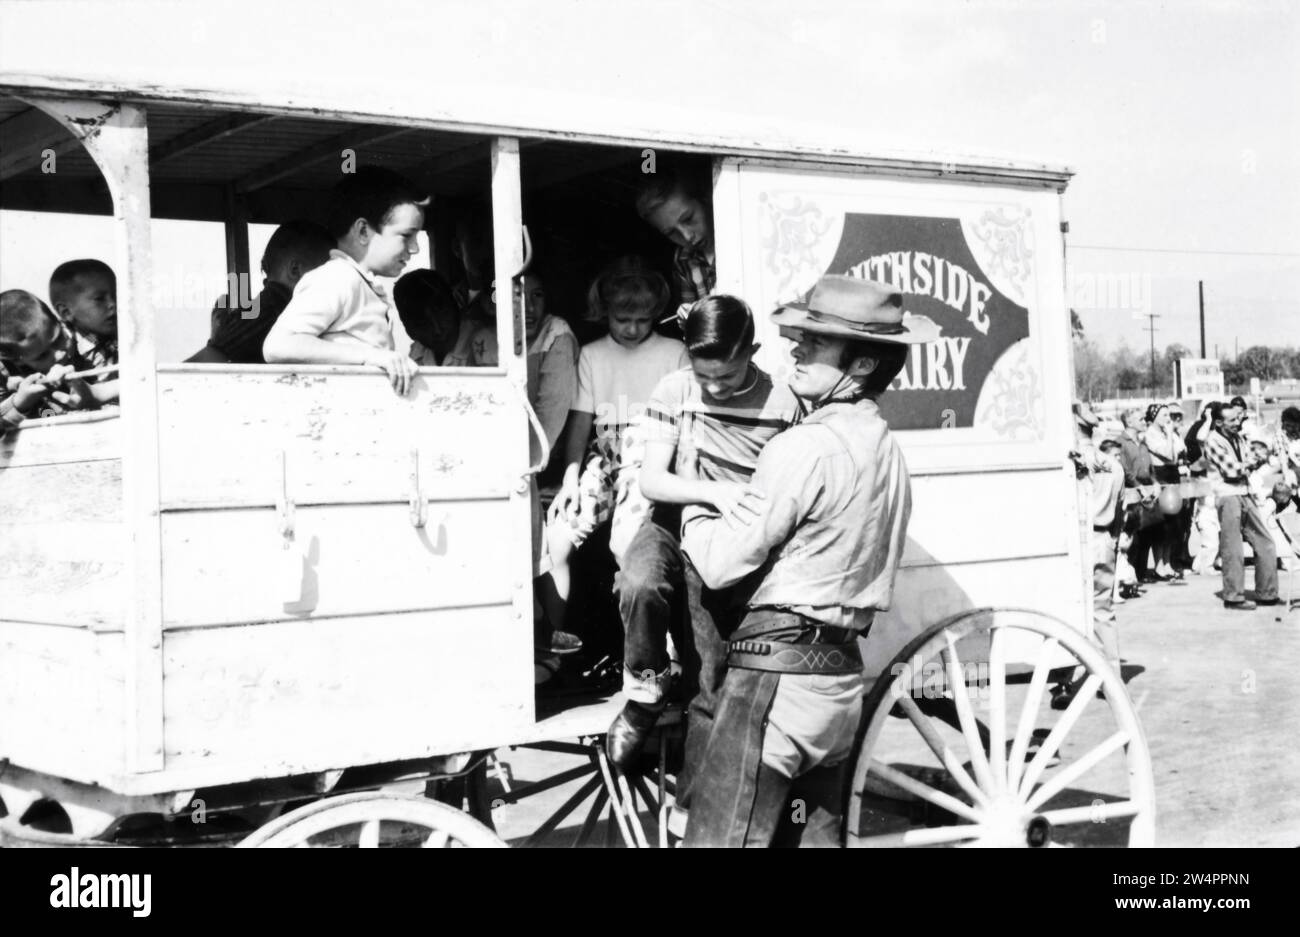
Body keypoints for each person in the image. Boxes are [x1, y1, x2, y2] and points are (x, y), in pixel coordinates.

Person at [679, 275, 937, 847]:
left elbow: (721, 565)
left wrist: (693, 505)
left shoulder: (803, 447)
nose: (796, 347)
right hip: (839, 687)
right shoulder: (892, 455)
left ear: (863, 363)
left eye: (814, 342)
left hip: (775, 685)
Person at [604, 295, 800, 785]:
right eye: (703, 372)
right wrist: (716, 492)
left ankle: (699, 805)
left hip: (731, 543)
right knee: (639, 582)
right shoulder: (674, 389)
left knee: (707, 672)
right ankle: (645, 688)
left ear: (752, 351)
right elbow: (653, 480)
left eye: (727, 377)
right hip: (671, 521)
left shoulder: (783, 403)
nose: (712, 386)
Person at [539, 257, 689, 653]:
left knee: (629, 546)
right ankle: (554, 640)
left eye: (643, 319)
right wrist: (570, 479)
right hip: (603, 454)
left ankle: (654, 652)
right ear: (605, 311)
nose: (634, 328)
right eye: (623, 318)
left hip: (652, 450)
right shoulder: (591, 354)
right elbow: (582, 422)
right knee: (557, 538)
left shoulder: (674, 352)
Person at [263, 167, 428, 395]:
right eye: (406, 235)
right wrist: (372, 356)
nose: (415, 248)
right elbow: (279, 345)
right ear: (362, 231)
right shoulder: (338, 278)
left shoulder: (358, 282)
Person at [188, 221, 334, 364]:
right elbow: (205, 363)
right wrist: (219, 339)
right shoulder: (271, 306)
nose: (334, 282)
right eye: (327, 272)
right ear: (295, 270)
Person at [1204, 401, 1279, 610]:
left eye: (1238, 419)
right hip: (1227, 496)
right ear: (1218, 422)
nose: (1237, 423)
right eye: (1231, 420)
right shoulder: (1212, 440)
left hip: (1245, 493)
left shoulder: (1238, 438)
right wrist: (1255, 461)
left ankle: (1267, 592)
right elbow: (1232, 471)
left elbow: (1247, 461)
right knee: (1233, 548)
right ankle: (1233, 596)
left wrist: (1256, 459)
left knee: (1266, 542)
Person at [1072, 402, 1124, 666]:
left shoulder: (1071, 462)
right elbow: (1121, 509)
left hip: (1079, 538)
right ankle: (1111, 673)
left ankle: (1071, 675)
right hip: (1104, 537)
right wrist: (1111, 540)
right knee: (1103, 609)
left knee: (1072, 607)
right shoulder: (1113, 465)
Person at [0, 289, 107, 415]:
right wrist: (19, 403)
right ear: (17, 360)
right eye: (43, 355)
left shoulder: (89, 342)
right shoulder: (5, 373)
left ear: (58, 322)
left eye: (58, 340)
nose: (59, 354)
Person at [635, 167, 715, 320]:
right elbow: (697, 329)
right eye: (672, 233)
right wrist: (688, 317)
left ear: (705, 200)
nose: (687, 236)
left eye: (688, 218)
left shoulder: (738, 238)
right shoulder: (683, 260)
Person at [47, 259, 120, 402]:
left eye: (116, 295)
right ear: (66, 312)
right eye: (100, 299)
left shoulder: (127, 333)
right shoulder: (61, 346)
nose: (113, 304)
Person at [1142, 403, 1185, 582]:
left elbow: (1179, 453)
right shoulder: (1150, 435)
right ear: (1154, 417)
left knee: (1173, 525)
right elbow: (1168, 454)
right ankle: (1159, 564)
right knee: (1162, 525)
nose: (1168, 419)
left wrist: (1171, 434)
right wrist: (1169, 437)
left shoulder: (1167, 433)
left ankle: (1167, 562)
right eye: (1164, 415)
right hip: (1161, 478)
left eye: (1169, 415)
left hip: (1173, 477)